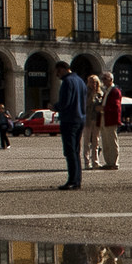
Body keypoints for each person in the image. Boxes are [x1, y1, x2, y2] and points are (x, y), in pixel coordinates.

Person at [53, 60, 87, 189]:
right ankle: (77, 180)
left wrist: (54, 107)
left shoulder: (67, 82)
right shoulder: (80, 81)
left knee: (70, 151)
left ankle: (72, 180)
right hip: (80, 119)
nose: (57, 75)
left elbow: (65, 102)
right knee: (76, 150)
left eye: (57, 72)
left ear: (62, 69)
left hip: (69, 120)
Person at [98, 74, 122, 169]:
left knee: (112, 141)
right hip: (104, 117)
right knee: (105, 141)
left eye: (105, 79)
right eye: (102, 79)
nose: (103, 81)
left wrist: (103, 108)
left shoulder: (115, 91)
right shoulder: (107, 91)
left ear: (111, 80)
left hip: (111, 119)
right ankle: (108, 162)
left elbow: (116, 106)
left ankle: (114, 163)